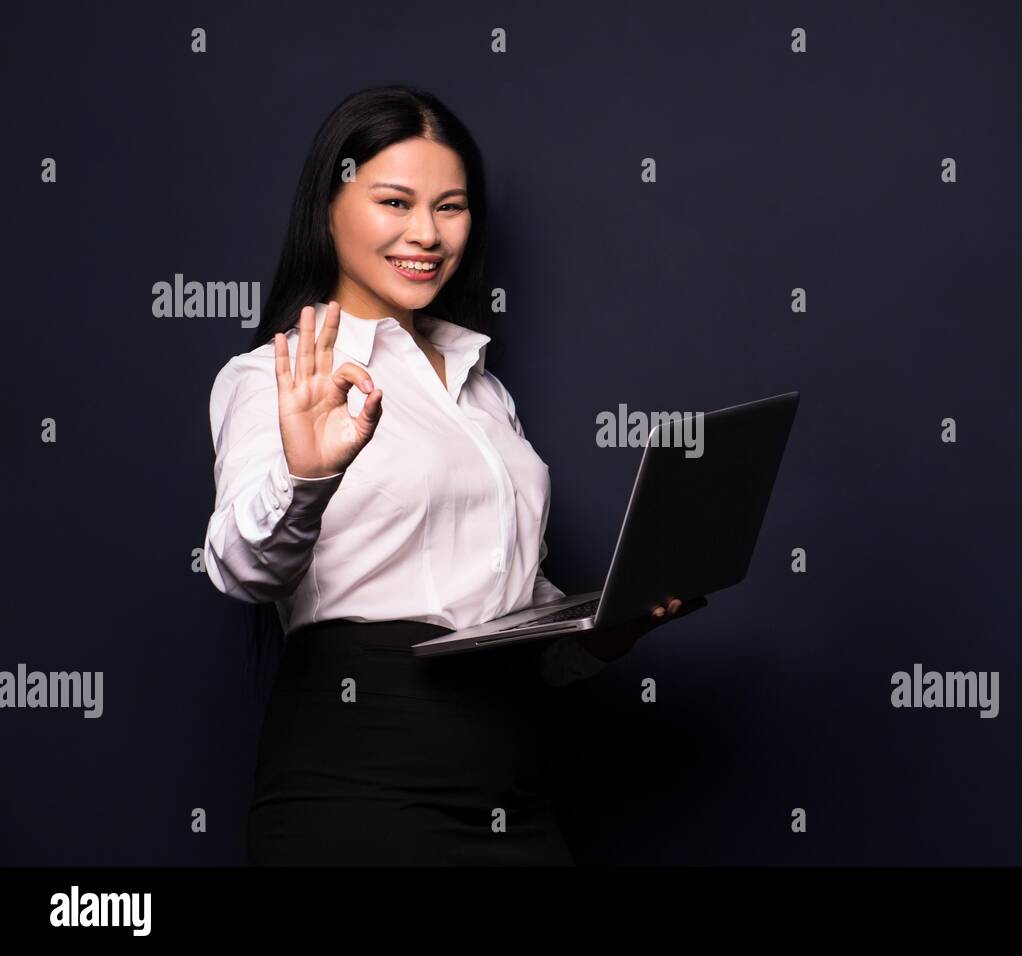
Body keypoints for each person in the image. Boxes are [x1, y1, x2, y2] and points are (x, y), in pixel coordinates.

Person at [202, 85, 704, 866]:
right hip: (358, 779)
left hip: (511, 781)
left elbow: (515, 629)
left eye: (451, 206)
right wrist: (308, 476)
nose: (426, 235)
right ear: (328, 206)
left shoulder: (483, 389)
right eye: (394, 202)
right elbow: (241, 568)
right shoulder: (273, 376)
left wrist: (611, 630)